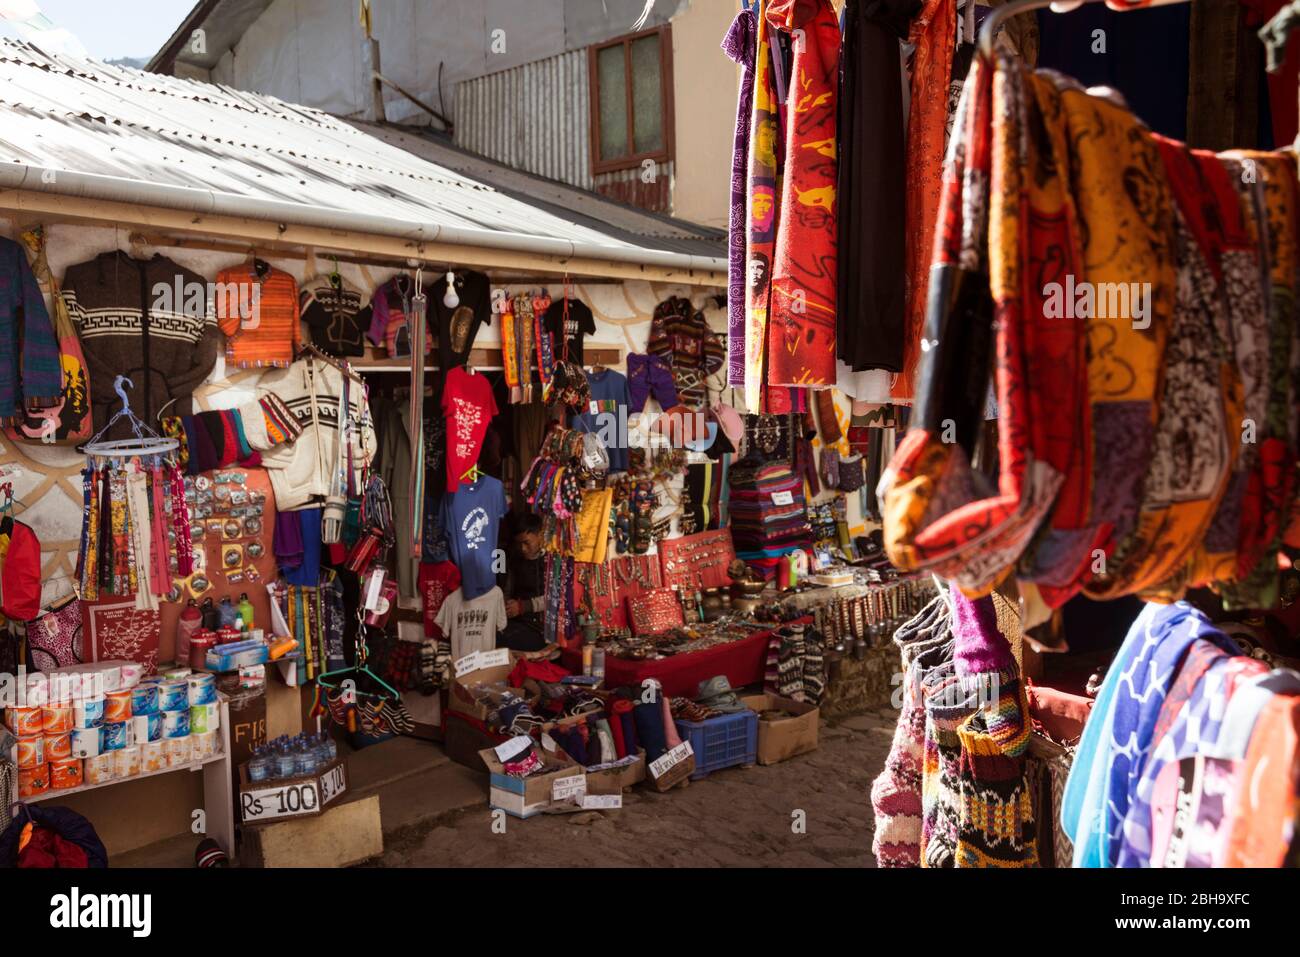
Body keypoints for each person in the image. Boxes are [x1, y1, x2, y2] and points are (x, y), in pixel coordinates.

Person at [498, 513, 546, 651]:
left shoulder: (551, 562)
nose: (522, 549)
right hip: (518, 622)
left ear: (540, 535)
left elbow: (557, 600)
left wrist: (523, 606)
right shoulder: (513, 558)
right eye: (519, 543)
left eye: (526, 542)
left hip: (540, 628)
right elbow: (507, 589)